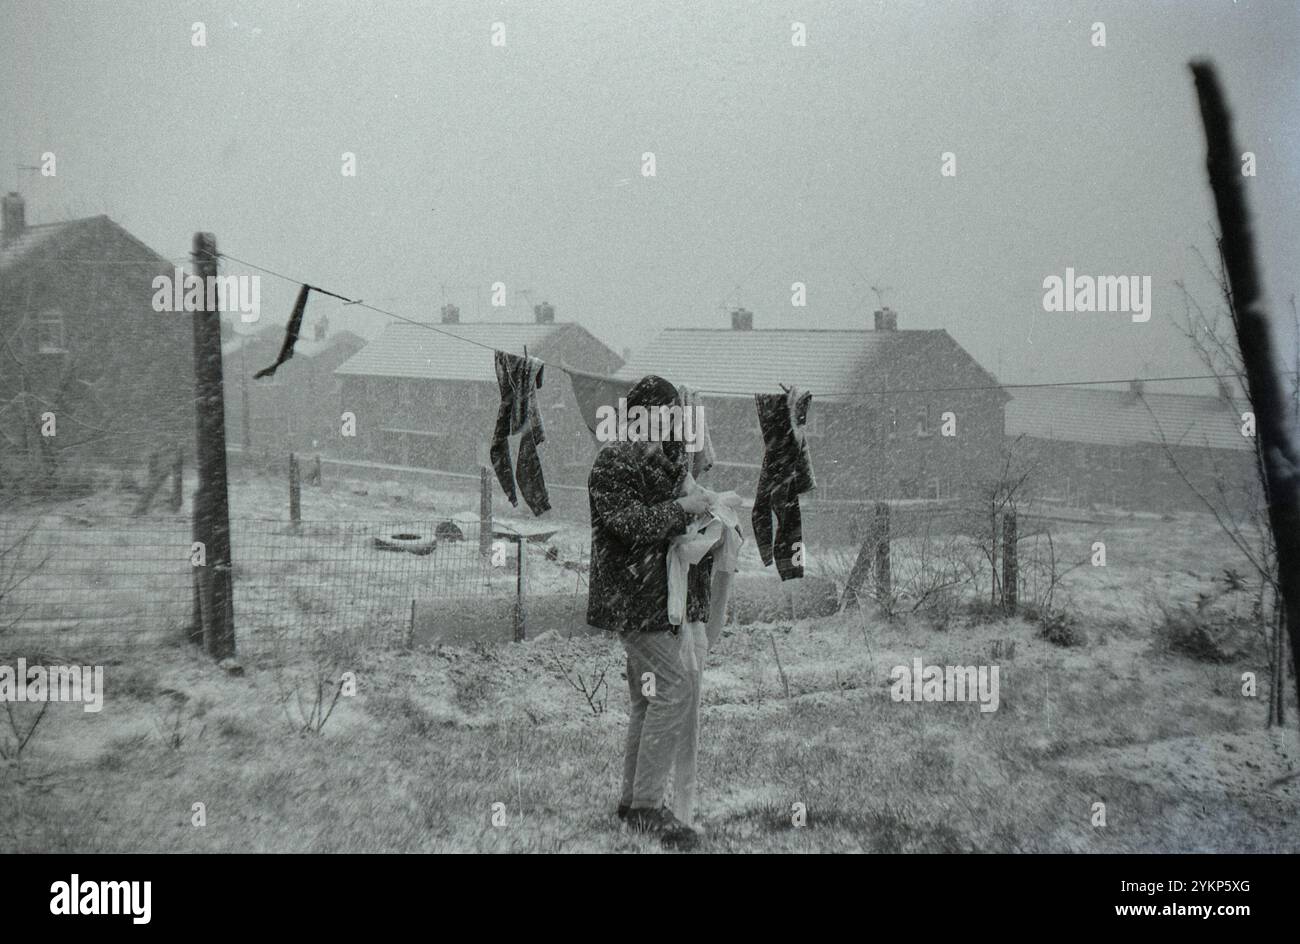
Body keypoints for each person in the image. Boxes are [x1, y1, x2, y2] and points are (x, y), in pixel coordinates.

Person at [586, 374, 714, 849]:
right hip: (636, 601)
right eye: (667, 416)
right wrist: (684, 507)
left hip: (651, 597)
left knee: (647, 700)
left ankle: (632, 802)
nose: (673, 426)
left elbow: (670, 499)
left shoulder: (651, 457)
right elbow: (633, 524)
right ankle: (645, 809)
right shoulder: (615, 461)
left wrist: (701, 505)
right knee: (675, 690)